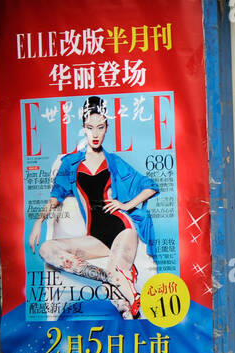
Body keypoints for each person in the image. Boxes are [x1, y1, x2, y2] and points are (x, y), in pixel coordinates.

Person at [30, 96, 157, 319]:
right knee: (46, 249)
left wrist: (126, 204)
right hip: (95, 237)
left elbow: (150, 186)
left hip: (122, 231)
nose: (95, 133)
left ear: (107, 128)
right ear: (84, 129)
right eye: (90, 128)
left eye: (100, 127)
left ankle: (131, 303)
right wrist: (39, 221)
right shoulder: (71, 163)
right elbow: (56, 195)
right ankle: (113, 278)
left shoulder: (114, 162)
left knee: (123, 301)